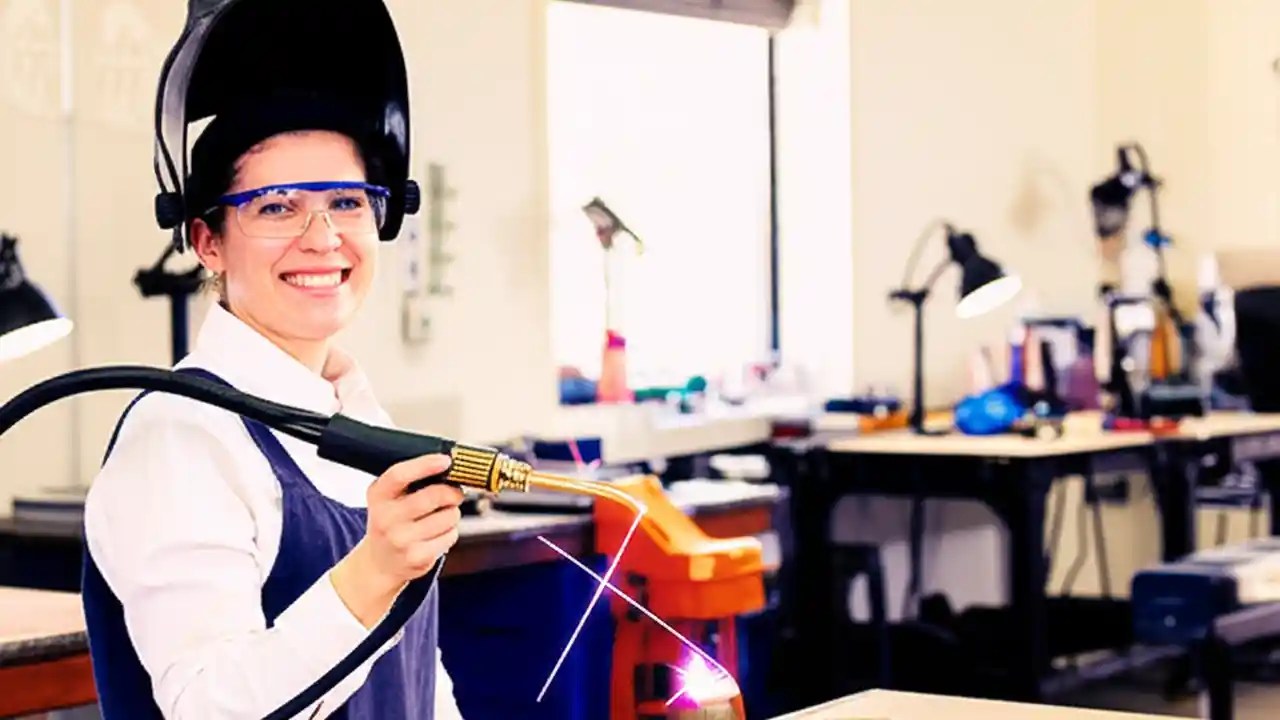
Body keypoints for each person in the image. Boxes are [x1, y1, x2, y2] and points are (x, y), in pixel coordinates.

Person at [81, 92, 466, 719]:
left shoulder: (367, 422)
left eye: (346, 202)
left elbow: (418, 676)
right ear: (208, 242)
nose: (323, 238)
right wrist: (372, 574)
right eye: (277, 207)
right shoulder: (179, 436)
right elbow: (210, 708)